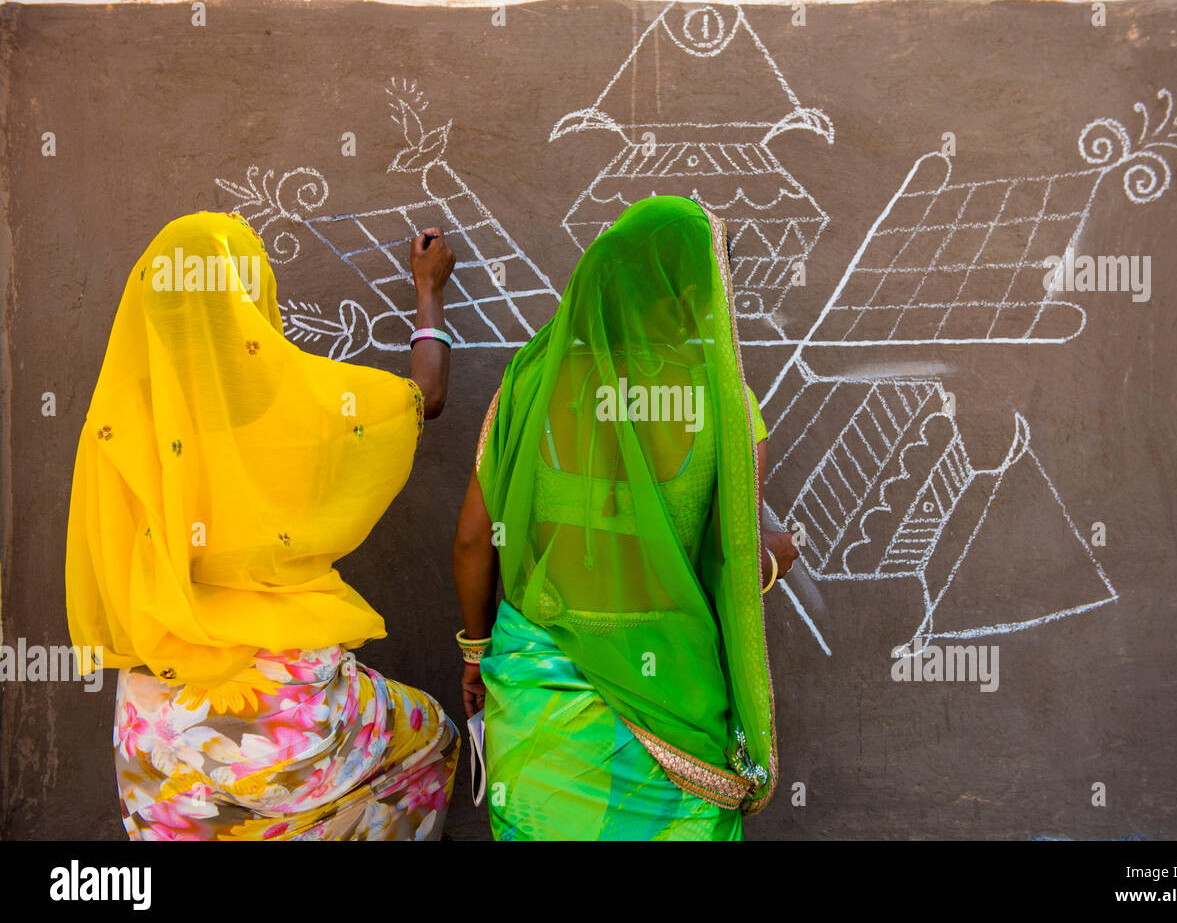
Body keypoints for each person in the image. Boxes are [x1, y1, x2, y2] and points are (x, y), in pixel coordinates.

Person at [66, 210, 462, 840]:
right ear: (252, 297)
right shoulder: (296, 407)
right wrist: (429, 292)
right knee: (431, 740)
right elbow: (425, 396)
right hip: (292, 718)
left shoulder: (118, 428)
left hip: (159, 729)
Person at [453, 195, 799, 840]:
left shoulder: (531, 384)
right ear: (694, 293)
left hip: (536, 675)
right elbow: (736, 559)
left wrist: (475, 653)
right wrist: (781, 552)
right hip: (669, 687)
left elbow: (476, 539)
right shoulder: (724, 404)